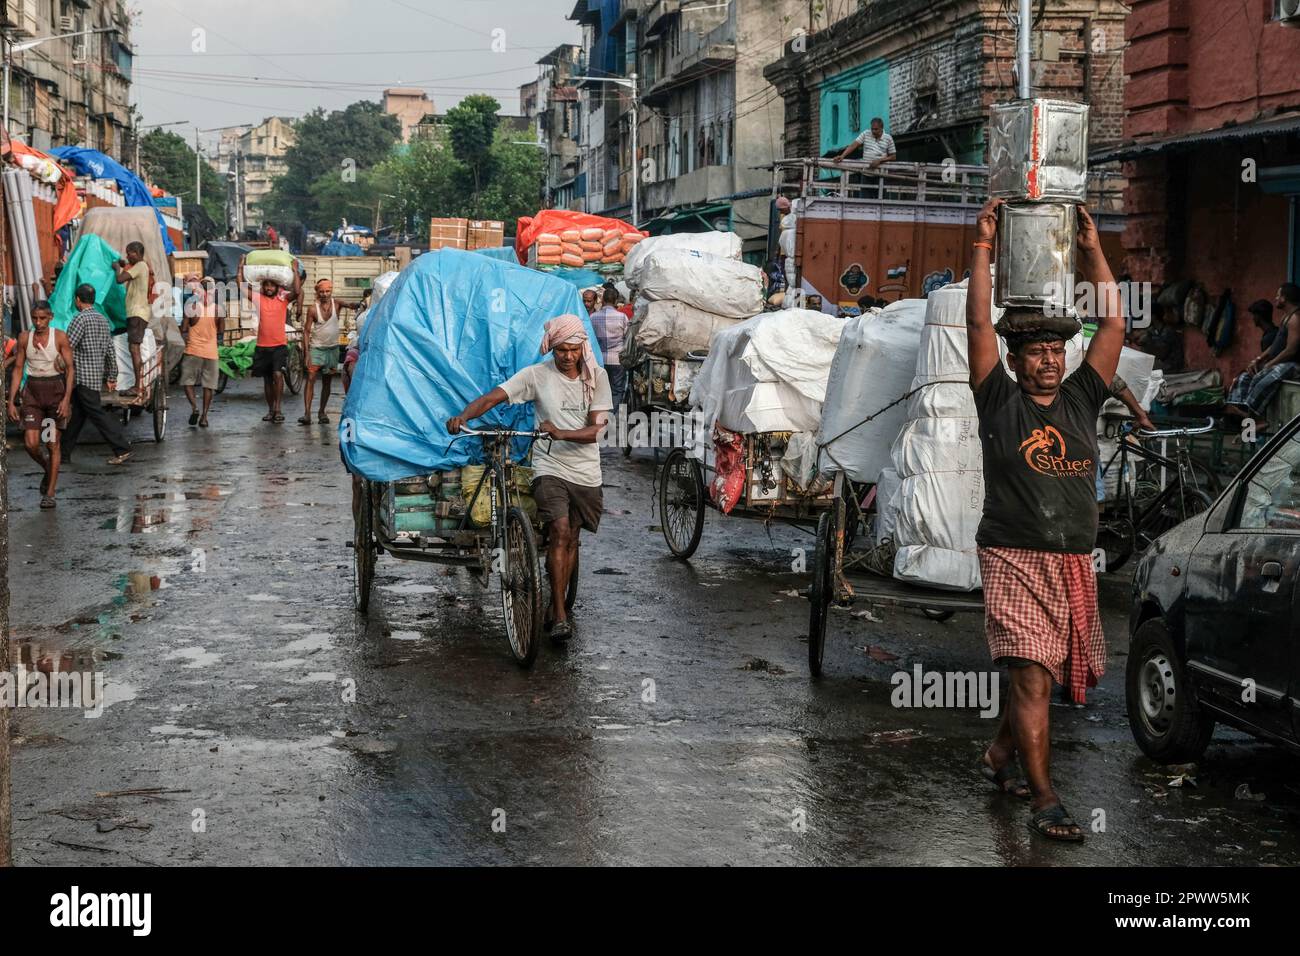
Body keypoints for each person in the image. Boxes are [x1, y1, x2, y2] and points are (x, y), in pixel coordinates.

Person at [966, 197, 1123, 843]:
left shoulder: (1085, 396)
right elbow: (978, 323)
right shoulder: (997, 398)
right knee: (1031, 672)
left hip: (1071, 557)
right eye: (1035, 352)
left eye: (1057, 350)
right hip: (1012, 554)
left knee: (1049, 673)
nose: (1049, 361)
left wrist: (1091, 252)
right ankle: (1046, 799)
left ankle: (1000, 756)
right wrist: (981, 246)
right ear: (1015, 359)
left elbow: (1114, 327)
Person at [447, 314, 613, 640]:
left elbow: (598, 431)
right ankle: (560, 616)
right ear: (551, 348)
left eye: (573, 350)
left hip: (586, 471)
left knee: (573, 538)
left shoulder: (598, 377)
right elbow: (494, 396)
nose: (567, 356)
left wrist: (560, 432)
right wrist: (463, 416)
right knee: (559, 530)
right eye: (561, 350)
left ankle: (556, 603)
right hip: (550, 468)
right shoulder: (537, 375)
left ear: (582, 348)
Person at [6, 300, 74, 508]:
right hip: (33, 394)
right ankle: (47, 468)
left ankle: (50, 493)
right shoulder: (25, 337)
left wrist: (65, 399)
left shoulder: (59, 337)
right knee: (31, 444)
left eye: (42, 318)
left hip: (54, 393)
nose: (38, 322)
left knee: (52, 443)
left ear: (50, 317)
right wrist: (11, 401)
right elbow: (18, 369)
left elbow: (70, 369)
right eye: (35, 318)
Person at [63, 284, 132, 466]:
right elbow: (110, 350)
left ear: (78, 299)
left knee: (96, 414)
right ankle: (63, 454)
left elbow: (67, 346)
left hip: (82, 376)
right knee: (78, 416)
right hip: (94, 376)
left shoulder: (80, 319)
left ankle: (121, 447)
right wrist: (112, 375)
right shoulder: (102, 320)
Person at [1225, 284, 1300, 424]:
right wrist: (1259, 359)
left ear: (1284, 298)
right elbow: (1276, 345)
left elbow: (1291, 350)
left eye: (1278, 295)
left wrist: (1270, 364)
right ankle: (1248, 419)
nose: (1276, 298)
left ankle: (1258, 421)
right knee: (1245, 378)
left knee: (1260, 380)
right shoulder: (1286, 317)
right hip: (1281, 363)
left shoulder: (1296, 318)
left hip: (1293, 365)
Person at [239, 257, 302, 424]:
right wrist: (240, 268)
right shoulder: (258, 299)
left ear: (277, 287)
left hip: (279, 345)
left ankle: (278, 409)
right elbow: (242, 286)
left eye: (271, 285)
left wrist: (295, 270)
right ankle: (270, 409)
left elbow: (296, 291)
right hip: (262, 346)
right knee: (267, 379)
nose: (268, 288)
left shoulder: (283, 300)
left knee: (277, 374)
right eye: (266, 285)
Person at [300, 279, 355, 425]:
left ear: (331, 291)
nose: (324, 294)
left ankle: (322, 412)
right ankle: (307, 413)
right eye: (321, 291)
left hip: (332, 349)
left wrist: (359, 304)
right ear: (317, 292)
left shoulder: (337, 304)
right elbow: (306, 331)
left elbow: (351, 305)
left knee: (327, 380)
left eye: (327, 291)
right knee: (311, 378)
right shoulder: (313, 309)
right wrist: (306, 354)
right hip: (316, 348)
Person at [180, 276, 221, 428]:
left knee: (187, 382)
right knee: (208, 385)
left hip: (193, 350)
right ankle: (204, 416)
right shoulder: (217, 309)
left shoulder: (191, 307)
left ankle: (194, 407)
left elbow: (184, 329)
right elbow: (221, 331)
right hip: (211, 352)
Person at [111, 241, 151, 398]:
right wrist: (123, 263)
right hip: (137, 313)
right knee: (133, 349)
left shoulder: (140, 266)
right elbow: (127, 265)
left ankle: (137, 386)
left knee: (134, 349)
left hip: (137, 313)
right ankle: (138, 383)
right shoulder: (141, 266)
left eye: (129, 253)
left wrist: (117, 268)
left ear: (137, 253)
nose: (127, 256)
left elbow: (120, 279)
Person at [589, 283, 629, 411]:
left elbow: (590, 339)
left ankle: (600, 415)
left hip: (599, 360)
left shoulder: (593, 317)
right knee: (616, 390)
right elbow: (627, 338)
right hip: (617, 359)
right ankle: (610, 416)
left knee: (600, 390)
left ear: (602, 300)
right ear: (616, 301)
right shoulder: (622, 317)